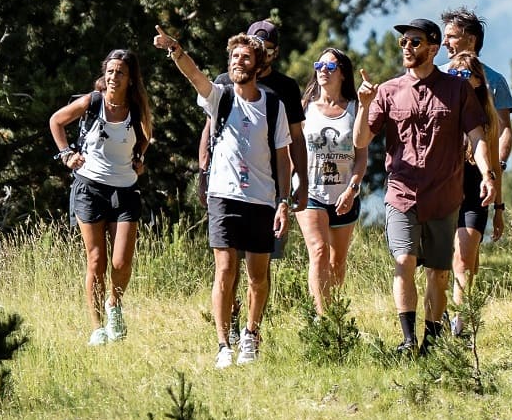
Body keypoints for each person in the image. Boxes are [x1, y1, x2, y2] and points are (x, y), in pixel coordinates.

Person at [155, 25, 298, 367]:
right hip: (223, 195)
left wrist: (283, 201)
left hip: (262, 199)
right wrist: (176, 50)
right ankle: (223, 345)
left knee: (258, 276)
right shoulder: (221, 96)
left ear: (258, 63)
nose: (237, 62)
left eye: (245, 57)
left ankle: (251, 333)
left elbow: (282, 156)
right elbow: (195, 77)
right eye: (234, 56)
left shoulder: (274, 105)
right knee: (224, 270)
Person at [365, 17, 498, 353]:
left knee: (439, 273)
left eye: (415, 42)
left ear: (434, 48)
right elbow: (362, 138)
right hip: (401, 193)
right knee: (404, 259)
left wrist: (487, 174)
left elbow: (477, 136)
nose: (407, 48)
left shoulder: (457, 91)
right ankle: (408, 339)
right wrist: (364, 106)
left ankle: (432, 340)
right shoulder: (389, 90)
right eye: (403, 43)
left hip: (444, 196)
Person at [46, 50, 153, 346]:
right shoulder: (92, 102)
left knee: (121, 263)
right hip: (89, 187)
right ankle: (97, 328)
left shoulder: (137, 107)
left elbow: (146, 136)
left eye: (120, 73)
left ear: (131, 79)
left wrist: (140, 158)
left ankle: (114, 306)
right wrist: (66, 154)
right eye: (110, 71)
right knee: (96, 261)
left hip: (126, 190)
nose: (113, 77)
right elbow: (56, 121)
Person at [442, 8, 512, 333]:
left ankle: (459, 320)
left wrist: (494, 172)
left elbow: (503, 130)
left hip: (478, 178)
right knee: (447, 257)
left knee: (465, 253)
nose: (445, 44)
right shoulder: (437, 78)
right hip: (443, 181)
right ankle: (443, 310)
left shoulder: (494, 81)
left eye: (451, 37)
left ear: (470, 39)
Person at [296, 48, 374, 313]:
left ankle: (334, 316)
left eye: (329, 67)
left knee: (337, 261)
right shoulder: (305, 108)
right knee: (318, 251)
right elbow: (291, 147)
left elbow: (362, 156)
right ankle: (321, 320)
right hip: (310, 192)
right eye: (319, 65)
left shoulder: (355, 108)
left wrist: (352, 189)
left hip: (345, 192)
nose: (322, 71)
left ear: (343, 73)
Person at [244, 18, 311, 253]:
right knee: (227, 264)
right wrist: (204, 171)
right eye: (256, 47)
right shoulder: (227, 81)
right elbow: (209, 131)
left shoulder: (287, 87)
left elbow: (297, 137)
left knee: (262, 262)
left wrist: (301, 180)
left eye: (267, 49)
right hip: (232, 183)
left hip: (271, 185)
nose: (261, 54)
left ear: (277, 52)